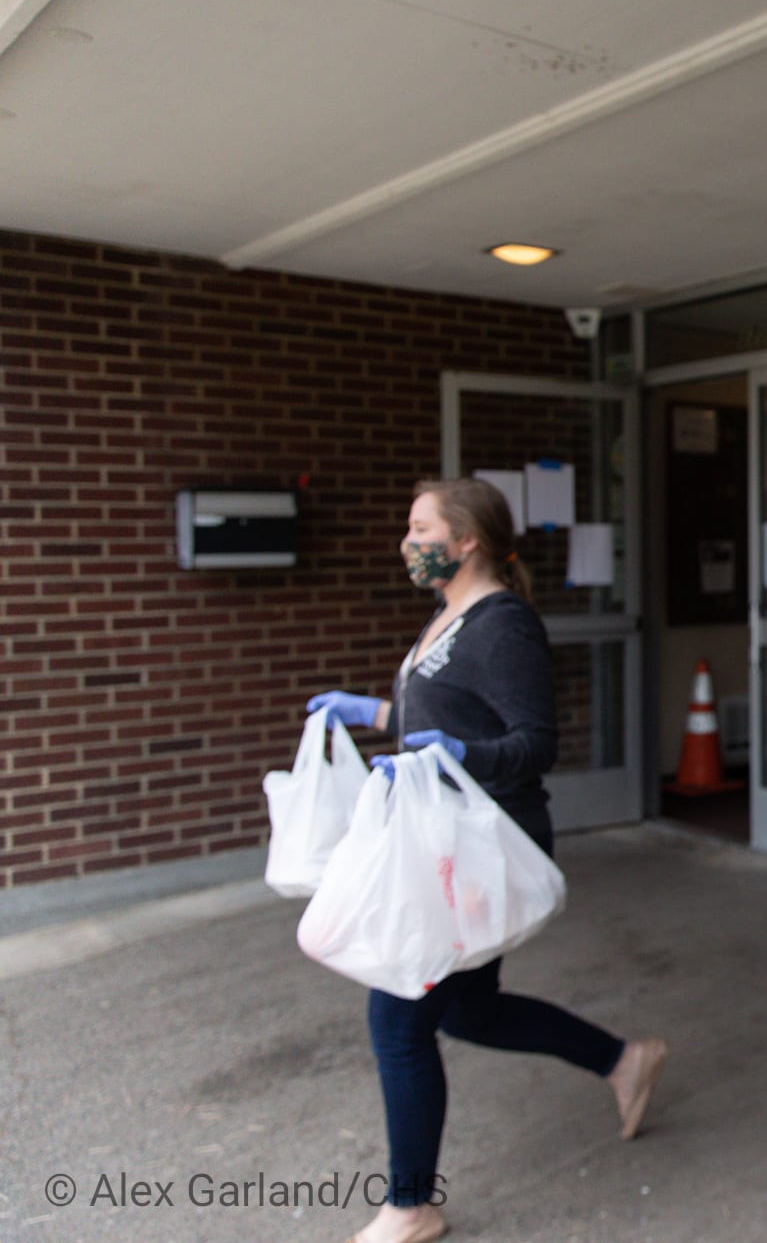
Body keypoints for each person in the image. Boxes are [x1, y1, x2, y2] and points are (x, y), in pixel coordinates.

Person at [306, 478, 667, 1243]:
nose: (408, 543)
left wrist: (465, 754)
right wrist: (370, 712)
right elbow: (439, 718)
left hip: (478, 846)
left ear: (466, 540)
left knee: (398, 1016)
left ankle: (411, 1207)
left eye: (420, 529)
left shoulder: (504, 624)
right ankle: (624, 1061)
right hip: (442, 843)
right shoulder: (449, 615)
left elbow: (534, 743)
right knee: (468, 1010)